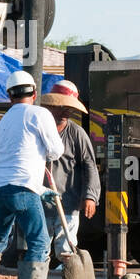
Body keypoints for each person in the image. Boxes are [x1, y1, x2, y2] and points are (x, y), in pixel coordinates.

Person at [0, 69, 63, 279]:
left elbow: (13, 158)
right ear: (34, 93)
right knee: (39, 239)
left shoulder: (4, 121)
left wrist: (40, 189)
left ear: (10, 96)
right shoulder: (39, 114)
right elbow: (55, 151)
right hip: (22, 187)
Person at [40, 80, 99, 261]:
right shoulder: (39, 129)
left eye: (70, 108)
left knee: (67, 250)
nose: (68, 111)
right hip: (40, 203)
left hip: (68, 202)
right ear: (52, 105)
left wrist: (90, 196)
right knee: (38, 249)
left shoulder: (76, 133)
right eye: (63, 106)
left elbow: (90, 164)